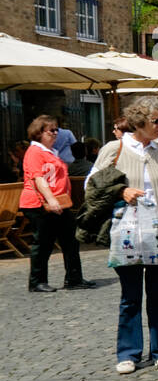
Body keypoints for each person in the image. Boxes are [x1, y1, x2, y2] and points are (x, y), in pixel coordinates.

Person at [91, 98, 158, 374]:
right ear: (139, 122)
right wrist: (121, 192)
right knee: (130, 296)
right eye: (156, 121)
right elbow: (92, 183)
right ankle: (128, 353)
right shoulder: (115, 149)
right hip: (127, 231)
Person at [21, 115, 92, 293]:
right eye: (51, 130)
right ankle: (37, 281)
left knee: (70, 240)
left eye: (56, 130)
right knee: (43, 243)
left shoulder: (50, 151)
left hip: (61, 202)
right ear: (39, 133)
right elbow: (37, 178)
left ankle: (74, 278)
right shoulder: (35, 152)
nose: (55, 133)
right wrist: (51, 199)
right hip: (40, 204)